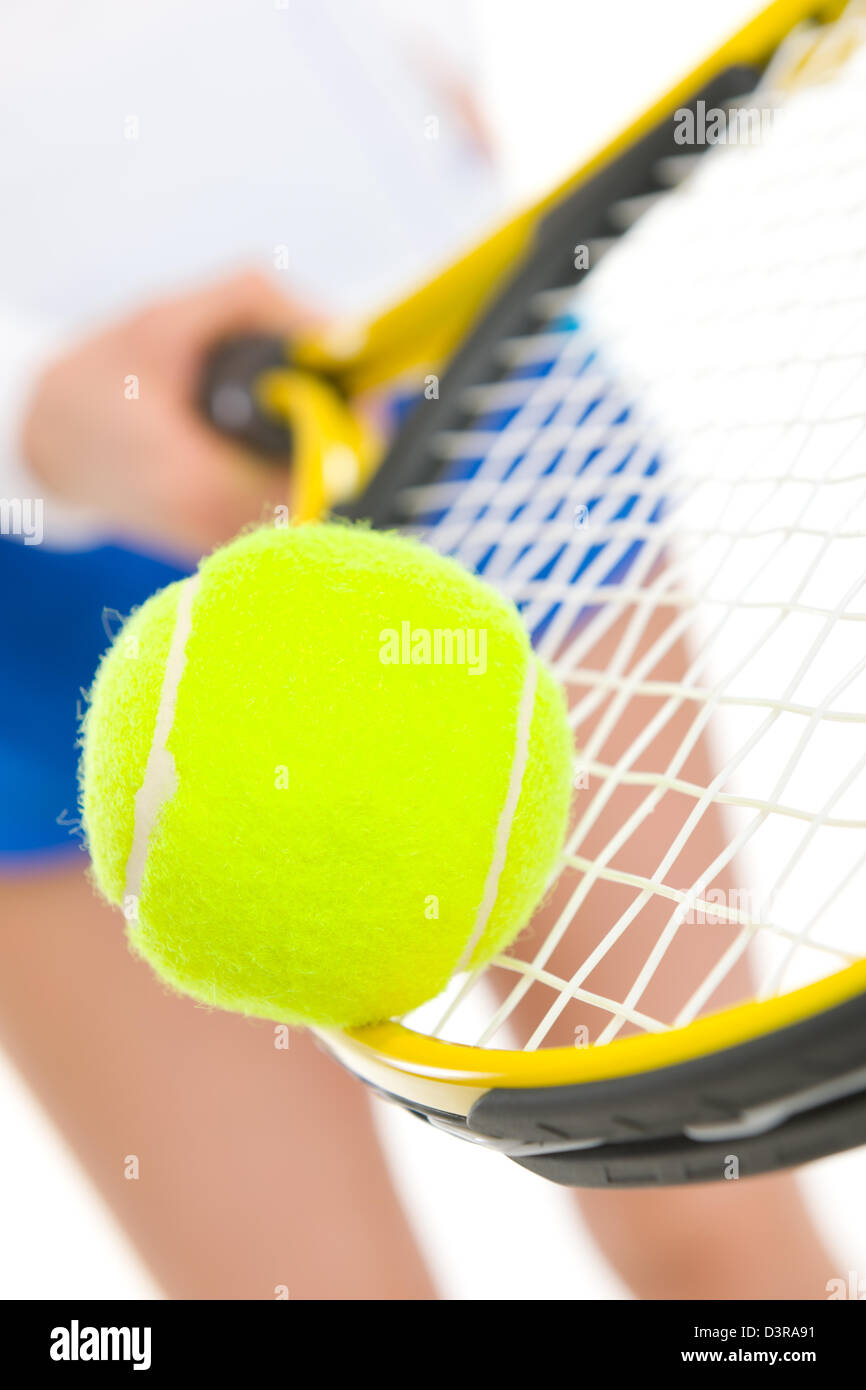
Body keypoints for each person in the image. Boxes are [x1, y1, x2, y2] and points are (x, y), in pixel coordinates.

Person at [0, 0, 835, 1299]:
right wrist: (29, 407)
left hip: (463, 394)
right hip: (38, 592)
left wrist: (419, 49)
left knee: (724, 1244)